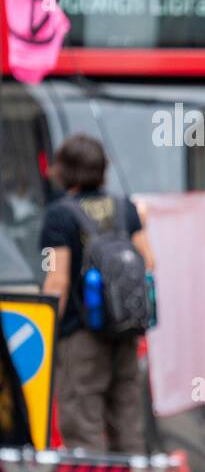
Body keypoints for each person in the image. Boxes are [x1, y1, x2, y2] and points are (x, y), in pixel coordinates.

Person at [40, 133, 156, 454]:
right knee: (127, 417)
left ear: (62, 170)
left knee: (83, 421)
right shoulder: (126, 208)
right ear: (102, 169)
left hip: (80, 334)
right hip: (125, 331)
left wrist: (47, 329)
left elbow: (57, 281)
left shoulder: (59, 216)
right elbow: (149, 262)